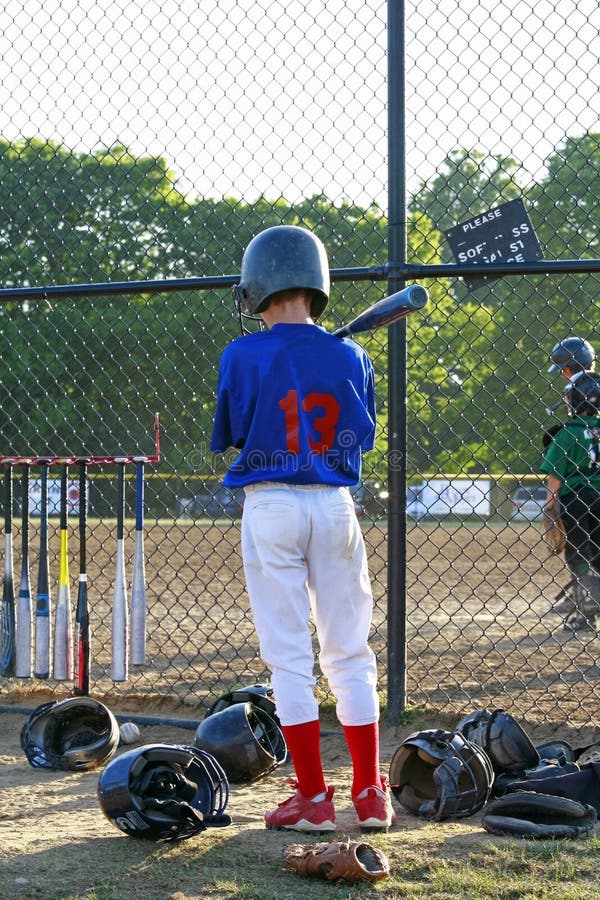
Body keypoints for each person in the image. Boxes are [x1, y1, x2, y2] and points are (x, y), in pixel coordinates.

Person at [209, 225, 394, 834]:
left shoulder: (241, 354)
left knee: (290, 657)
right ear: (318, 285)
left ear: (259, 284)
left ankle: (313, 797)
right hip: (335, 504)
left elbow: (234, 433)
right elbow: (360, 437)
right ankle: (369, 793)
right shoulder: (352, 354)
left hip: (271, 506)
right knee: (349, 649)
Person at [541, 370, 600, 631]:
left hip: (576, 500)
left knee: (580, 554)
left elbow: (555, 474)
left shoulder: (566, 433)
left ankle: (586, 615)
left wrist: (550, 504)